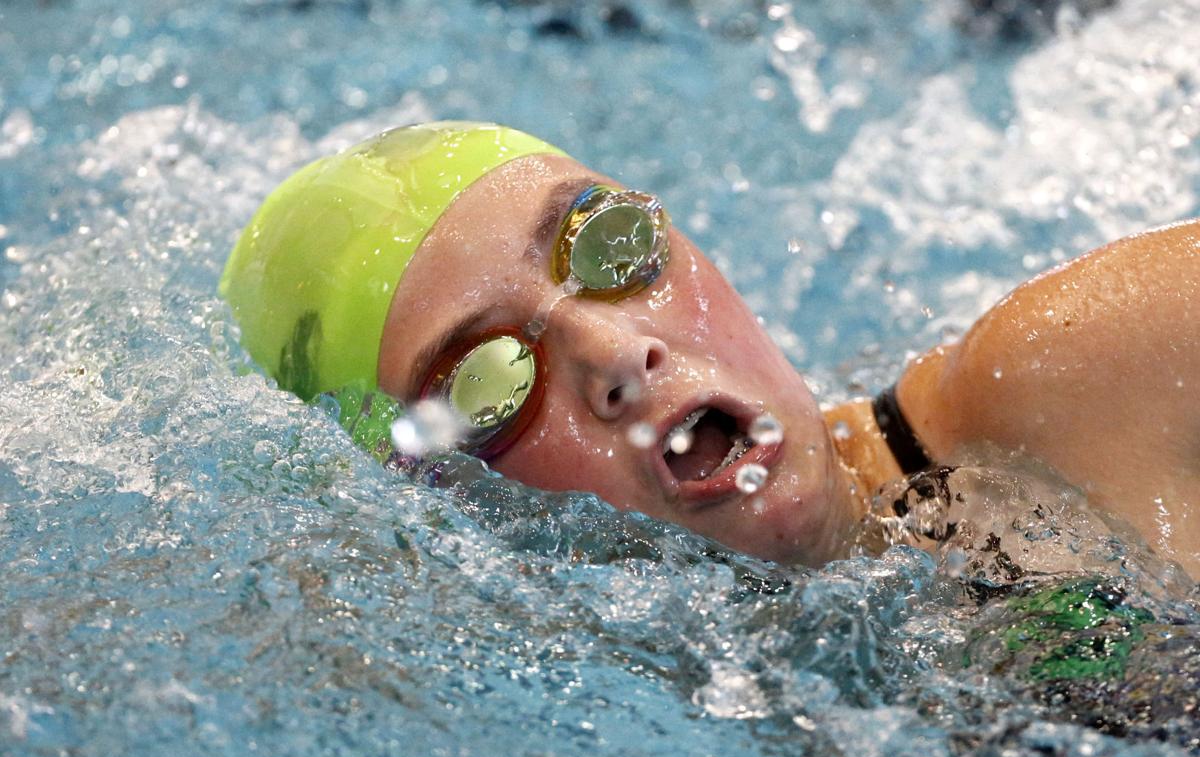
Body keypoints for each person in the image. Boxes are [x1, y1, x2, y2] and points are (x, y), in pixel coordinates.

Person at [220, 121, 1200, 578]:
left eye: (607, 247)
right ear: (428, 489)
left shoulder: (1079, 370)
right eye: (489, 381)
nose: (614, 354)